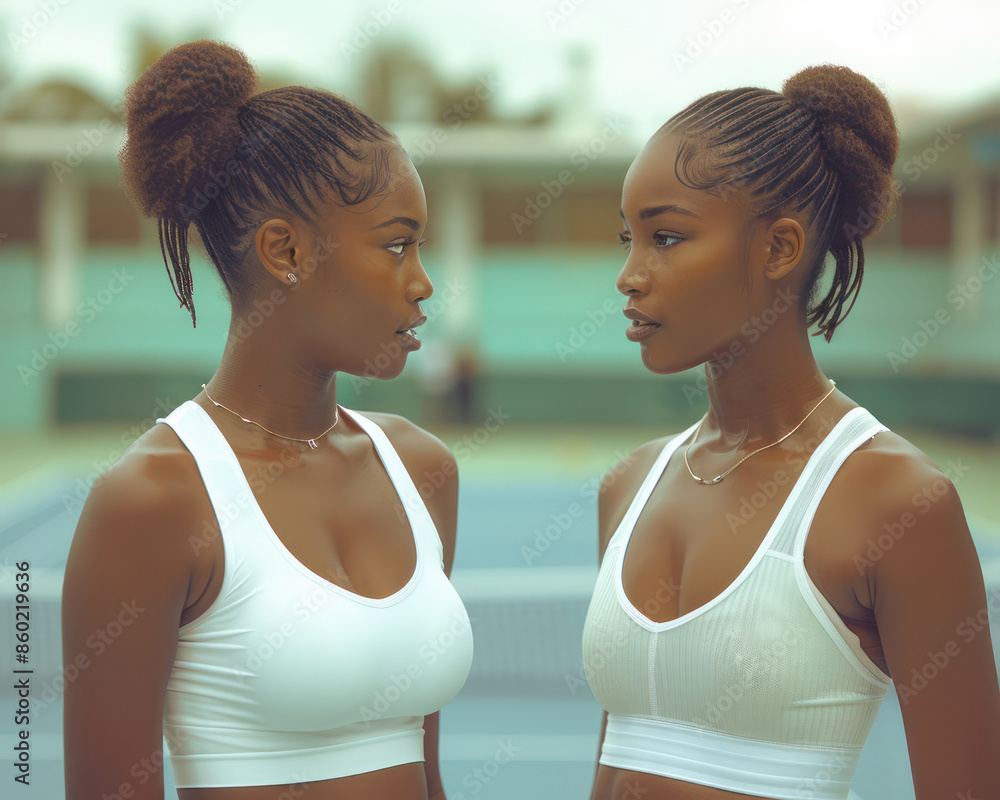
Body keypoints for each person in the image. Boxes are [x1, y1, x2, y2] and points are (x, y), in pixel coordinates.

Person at [62, 40, 473, 800]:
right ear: (285, 250)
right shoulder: (153, 499)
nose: (422, 284)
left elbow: (427, 773)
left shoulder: (422, 469)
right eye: (396, 245)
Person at [582, 64, 1000, 800]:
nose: (629, 275)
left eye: (667, 237)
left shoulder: (897, 502)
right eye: (627, 238)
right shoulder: (627, 489)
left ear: (779, 248)